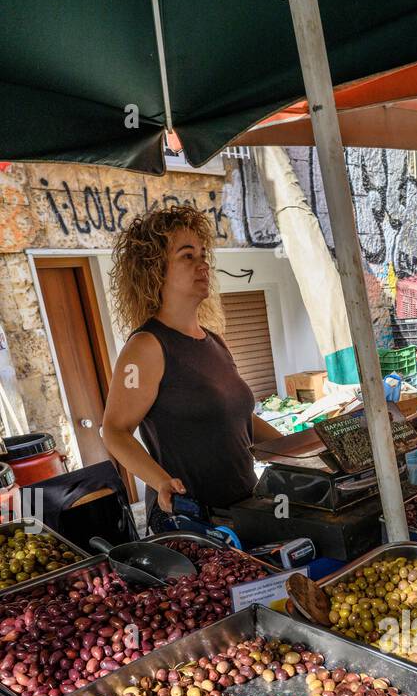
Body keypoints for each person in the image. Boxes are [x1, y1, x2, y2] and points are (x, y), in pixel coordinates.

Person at [103, 204, 283, 525]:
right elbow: (115, 431)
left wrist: (298, 450)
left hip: (242, 509)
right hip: (192, 520)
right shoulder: (145, 347)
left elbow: (240, 419)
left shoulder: (214, 341)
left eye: (203, 255)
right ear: (154, 269)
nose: (202, 265)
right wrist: (159, 481)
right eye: (187, 256)